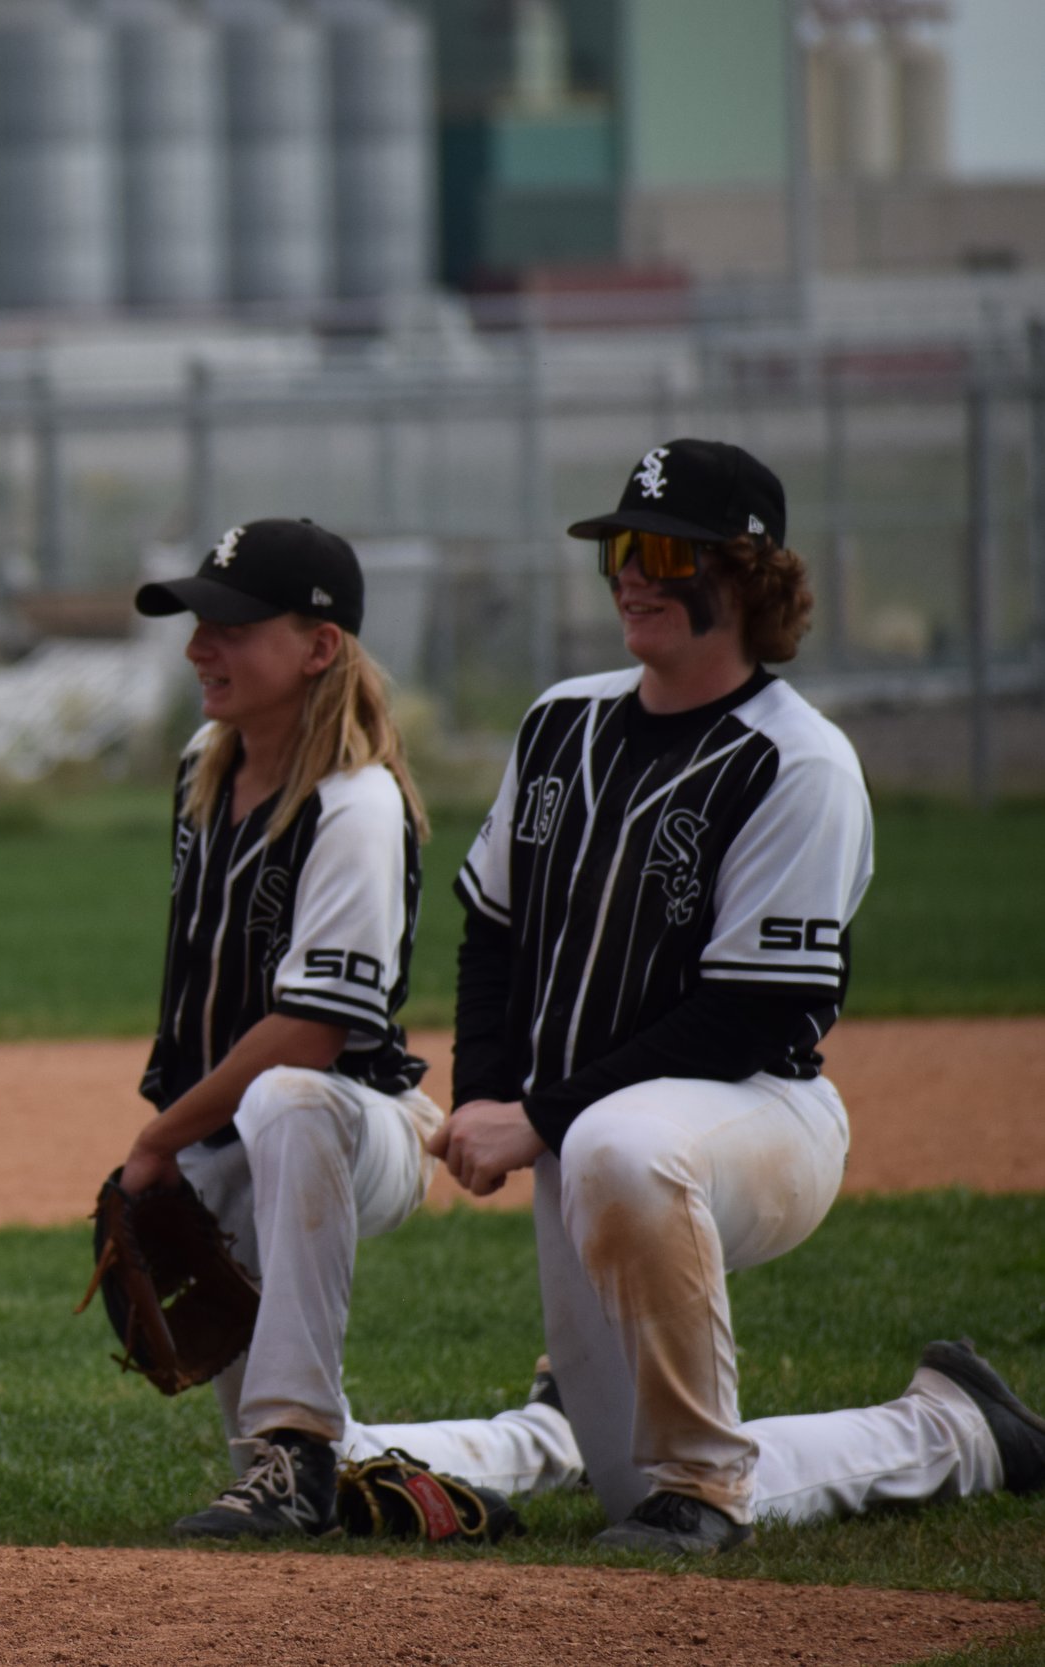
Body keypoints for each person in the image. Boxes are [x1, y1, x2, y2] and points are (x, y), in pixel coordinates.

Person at [424, 437, 1045, 1551]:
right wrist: (483, 1092)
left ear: (751, 577)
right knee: (628, 1486)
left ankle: (703, 1490)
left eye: (664, 549)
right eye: (619, 548)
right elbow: (492, 926)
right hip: (584, 1138)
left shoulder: (798, 761)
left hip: (755, 1114)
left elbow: (749, 1012)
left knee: (622, 1156)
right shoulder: (560, 720)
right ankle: (953, 1429)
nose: (630, 573)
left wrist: (538, 1114)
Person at [117, 519, 574, 1540]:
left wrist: (155, 1140)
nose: (200, 645)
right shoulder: (205, 765)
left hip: (354, 1123)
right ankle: (541, 1436)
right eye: (198, 620)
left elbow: (310, 1036)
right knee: (321, 1461)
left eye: (232, 624)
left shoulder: (355, 805)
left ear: (320, 647)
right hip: (236, 1134)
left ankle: (298, 1450)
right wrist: (182, 1149)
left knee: (284, 1098)